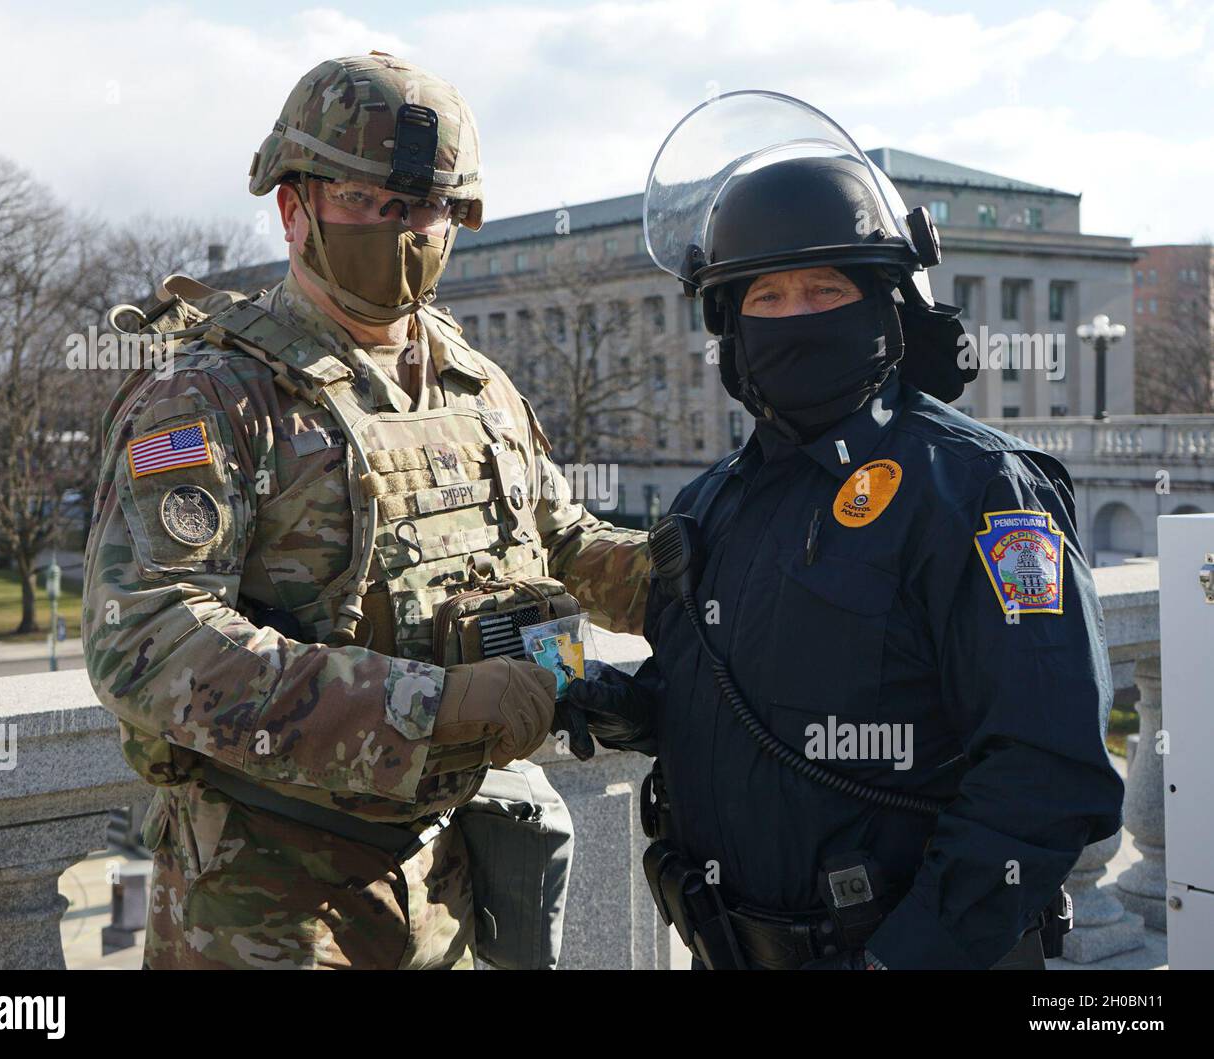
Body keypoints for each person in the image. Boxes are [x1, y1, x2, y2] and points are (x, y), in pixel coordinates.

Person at [82, 53, 649, 970]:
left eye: (426, 205)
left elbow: (564, 543)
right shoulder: (212, 395)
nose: (402, 228)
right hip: (268, 908)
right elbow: (150, 638)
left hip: (450, 882)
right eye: (365, 199)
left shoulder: (477, 385)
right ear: (292, 206)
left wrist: (692, 577)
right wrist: (430, 705)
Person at [559, 92, 1124, 970]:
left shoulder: (976, 489)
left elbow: (1048, 771)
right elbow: (761, 695)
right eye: (768, 295)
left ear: (885, 307)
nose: (795, 314)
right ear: (730, 327)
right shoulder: (709, 506)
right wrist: (638, 705)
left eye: (825, 288)